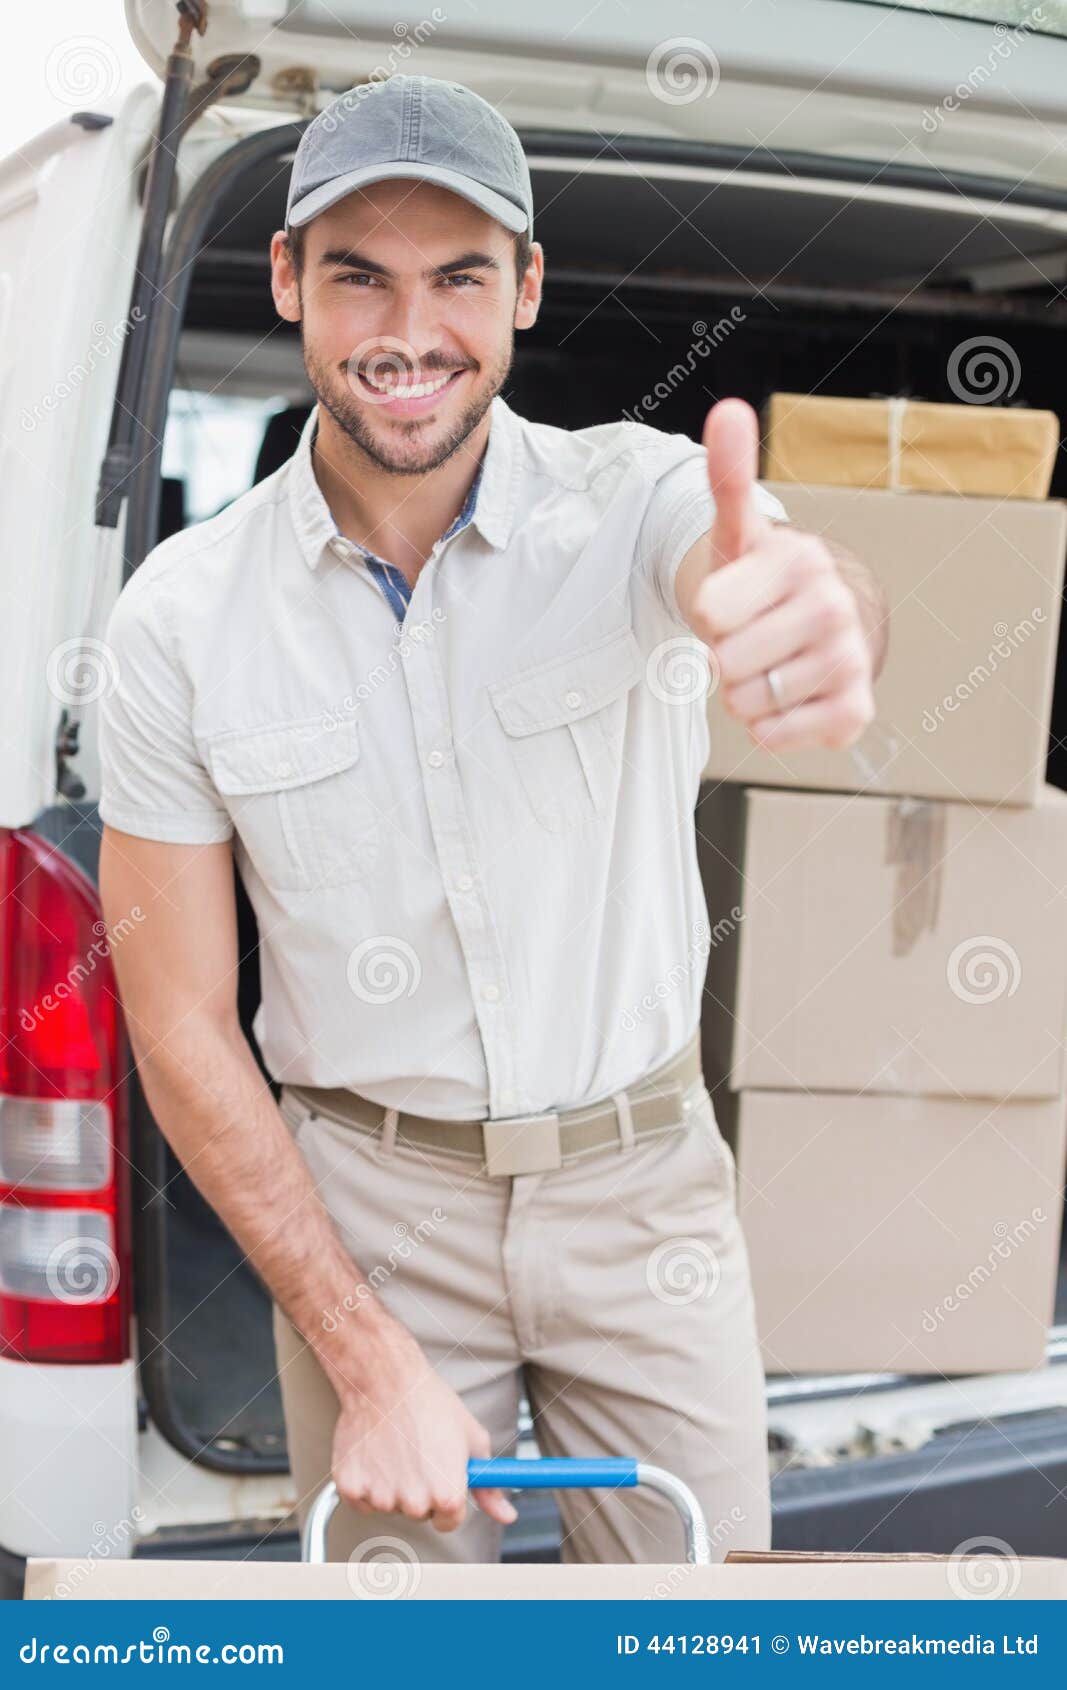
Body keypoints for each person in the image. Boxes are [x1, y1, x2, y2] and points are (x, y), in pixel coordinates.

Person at [98, 74, 888, 1565]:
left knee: (711, 1650)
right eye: (359, 277)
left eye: (459, 275)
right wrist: (364, 1347)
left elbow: (768, 565)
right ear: (286, 283)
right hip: (371, 1216)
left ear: (525, 287)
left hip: (641, 1187)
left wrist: (825, 609)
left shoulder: (642, 499)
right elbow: (182, 1024)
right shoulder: (178, 622)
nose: (410, 333)